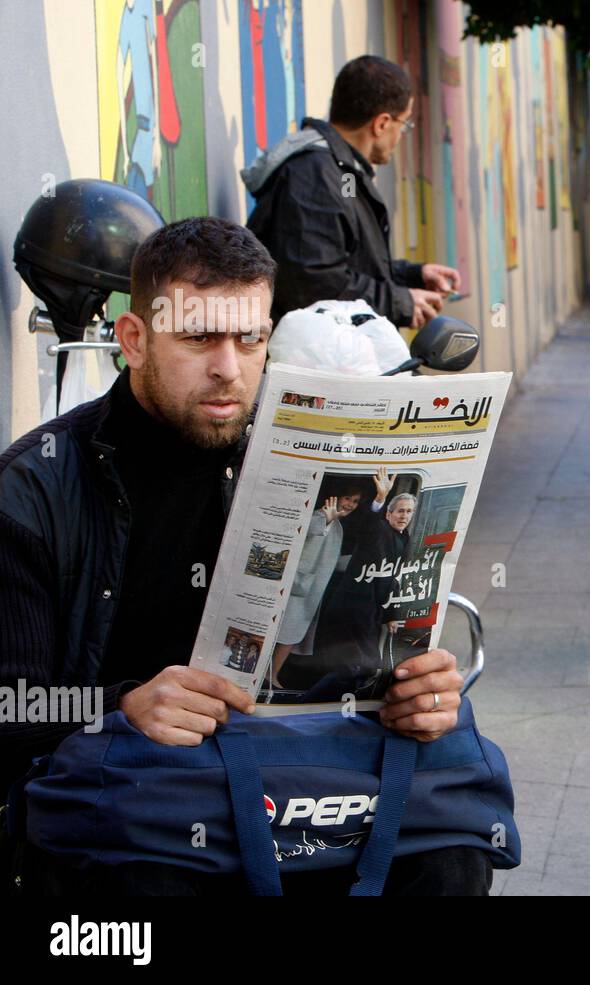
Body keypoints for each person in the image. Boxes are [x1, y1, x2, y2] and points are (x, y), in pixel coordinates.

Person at [0, 217, 487, 895]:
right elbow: (10, 709)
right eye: (199, 337)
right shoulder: (35, 488)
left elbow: (362, 638)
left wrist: (416, 686)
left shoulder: (308, 453)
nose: (229, 367)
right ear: (133, 340)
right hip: (140, 809)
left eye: (249, 337)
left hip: (298, 780)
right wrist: (123, 703)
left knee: (451, 859)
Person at [244, 55, 460, 328]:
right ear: (381, 124)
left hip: (331, 357)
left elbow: (346, 265)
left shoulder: (336, 170)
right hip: (313, 363)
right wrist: (401, 302)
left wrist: (413, 276)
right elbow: (315, 286)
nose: (401, 136)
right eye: (403, 125)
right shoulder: (314, 175)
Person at [306, 469, 416, 699]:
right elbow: (369, 522)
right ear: (388, 514)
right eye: (400, 511)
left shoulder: (403, 538)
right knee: (359, 665)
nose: (404, 516)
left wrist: (390, 614)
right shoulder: (378, 529)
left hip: (369, 611)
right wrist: (379, 498)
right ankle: (312, 700)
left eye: (409, 512)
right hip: (352, 607)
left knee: (359, 667)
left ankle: (319, 699)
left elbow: (391, 578)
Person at [270, 477, 368, 689]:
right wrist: (327, 518)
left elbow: (330, 561)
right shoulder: (319, 515)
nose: (350, 504)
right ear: (335, 497)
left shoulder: (338, 525)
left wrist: (360, 562)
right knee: (284, 634)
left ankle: (272, 674)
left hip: (310, 590)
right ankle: (268, 675)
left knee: (291, 636)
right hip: (296, 586)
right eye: (347, 498)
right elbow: (308, 529)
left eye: (355, 501)